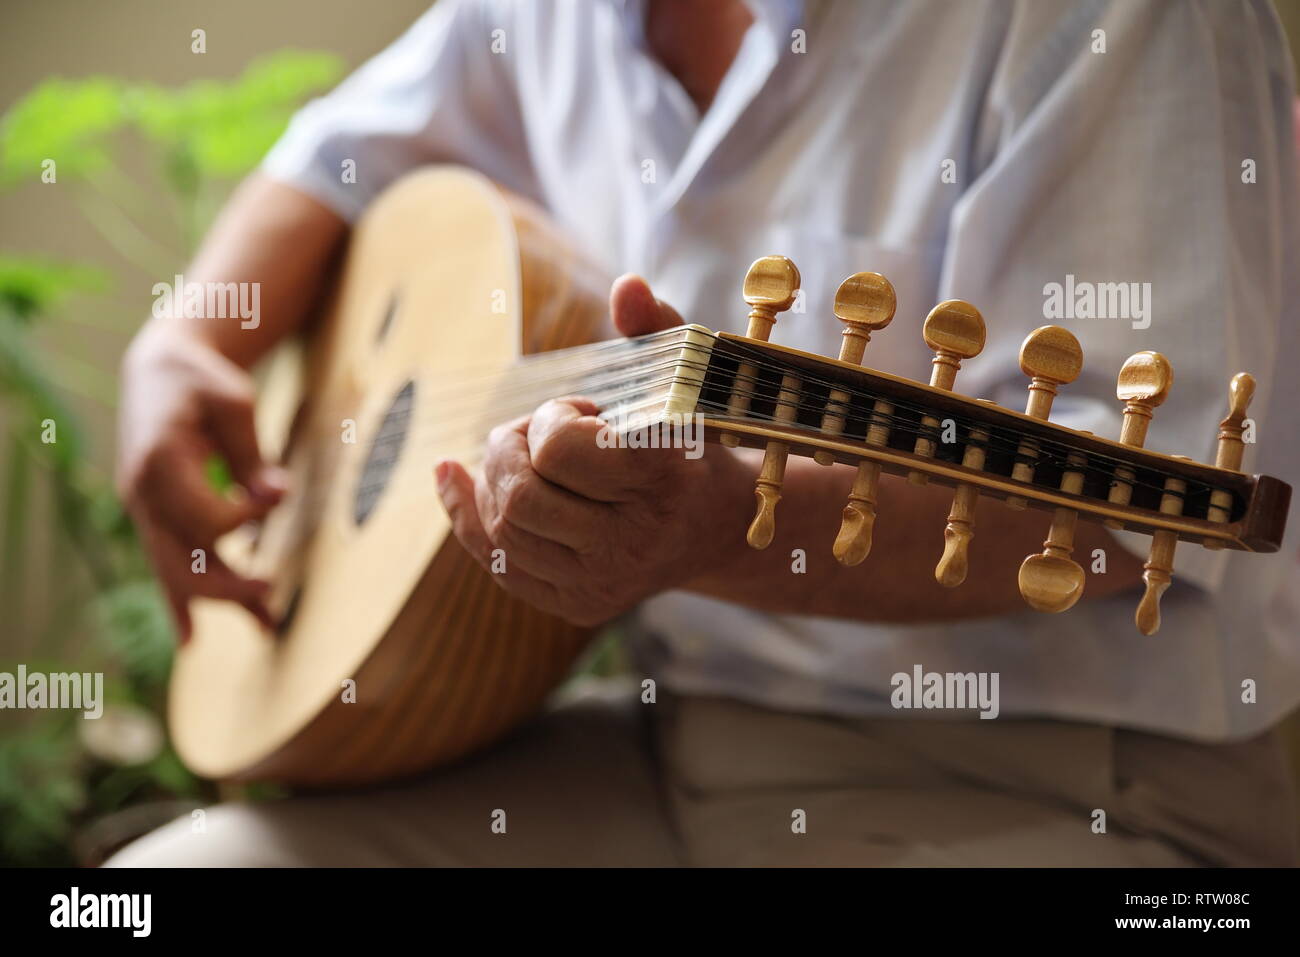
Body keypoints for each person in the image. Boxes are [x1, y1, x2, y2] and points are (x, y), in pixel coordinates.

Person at [109, 0, 1300, 866]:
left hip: (1059, 784)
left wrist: (726, 526)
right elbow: (342, 152)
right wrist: (185, 346)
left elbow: (1120, 518)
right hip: (676, 748)